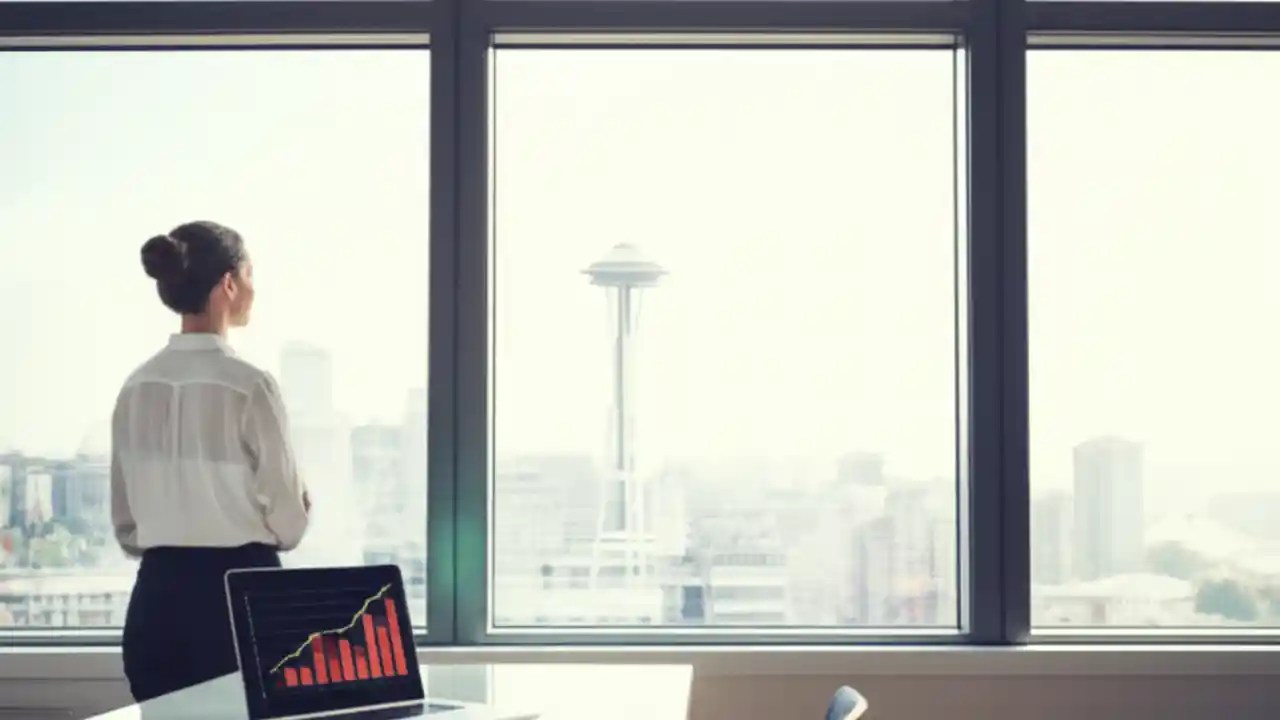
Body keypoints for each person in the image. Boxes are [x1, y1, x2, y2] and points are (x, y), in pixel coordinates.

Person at [112, 220, 311, 702]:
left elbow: (127, 524)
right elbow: (289, 521)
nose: (253, 287)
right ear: (228, 284)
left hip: (158, 600)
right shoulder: (250, 385)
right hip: (241, 598)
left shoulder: (135, 387)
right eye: (249, 273)